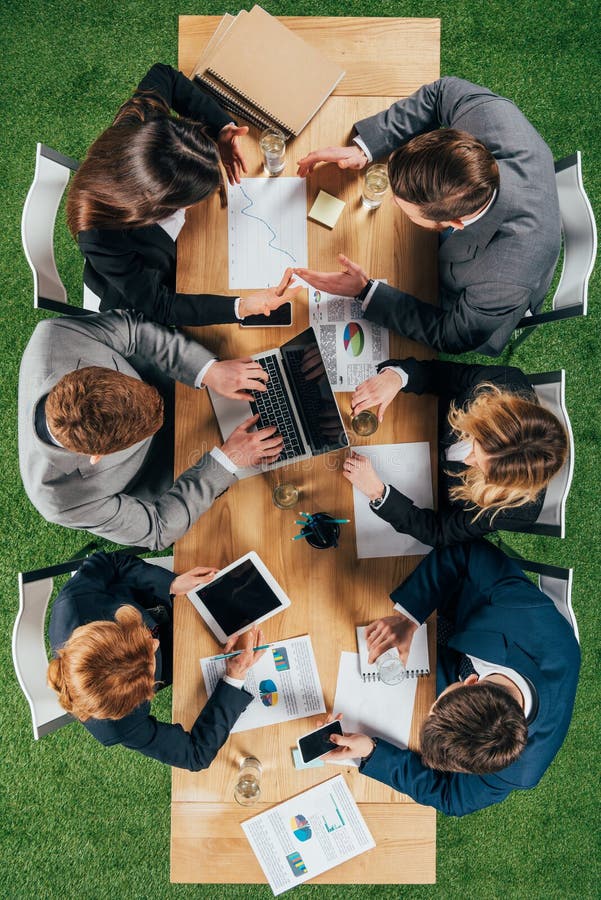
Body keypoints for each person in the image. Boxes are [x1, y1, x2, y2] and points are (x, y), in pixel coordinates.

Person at [294, 77, 560, 356]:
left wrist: (365, 291)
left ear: (455, 223)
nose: (393, 204)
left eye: (405, 209)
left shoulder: (502, 281)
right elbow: (441, 93)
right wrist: (364, 149)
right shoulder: (490, 117)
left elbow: (452, 335)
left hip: (469, 298)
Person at [322, 540, 580, 817]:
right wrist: (409, 618)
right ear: (470, 681)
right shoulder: (524, 613)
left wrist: (371, 751)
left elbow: (450, 797)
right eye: (434, 708)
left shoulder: (518, 771)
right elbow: (469, 551)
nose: (428, 708)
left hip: (444, 659)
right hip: (454, 605)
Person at [18, 309, 285, 549]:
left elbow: (134, 330)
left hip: (164, 381)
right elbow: (159, 529)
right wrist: (227, 462)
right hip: (162, 471)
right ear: (97, 456)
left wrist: (208, 371)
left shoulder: (55, 336)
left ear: (94, 371)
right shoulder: (59, 500)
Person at [66, 63, 298, 326]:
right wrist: (241, 306)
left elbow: (164, 74)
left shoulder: (143, 123)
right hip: (145, 286)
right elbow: (160, 305)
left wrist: (222, 130)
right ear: (158, 204)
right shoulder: (100, 238)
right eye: (192, 201)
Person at [48, 552, 263, 770]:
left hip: (157, 601)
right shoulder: (118, 726)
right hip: (177, 662)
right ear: (138, 697)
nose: (155, 643)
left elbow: (110, 562)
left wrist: (170, 584)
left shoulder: (73, 604)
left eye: (140, 636)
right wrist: (233, 678)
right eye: (149, 661)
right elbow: (196, 754)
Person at [343, 358, 568, 546]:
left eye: (482, 468)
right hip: (421, 416)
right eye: (476, 443)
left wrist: (378, 493)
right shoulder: (504, 382)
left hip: (429, 492)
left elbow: (439, 532)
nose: (467, 460)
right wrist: (399, 377)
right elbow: (443, 375)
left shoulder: (516, 510)